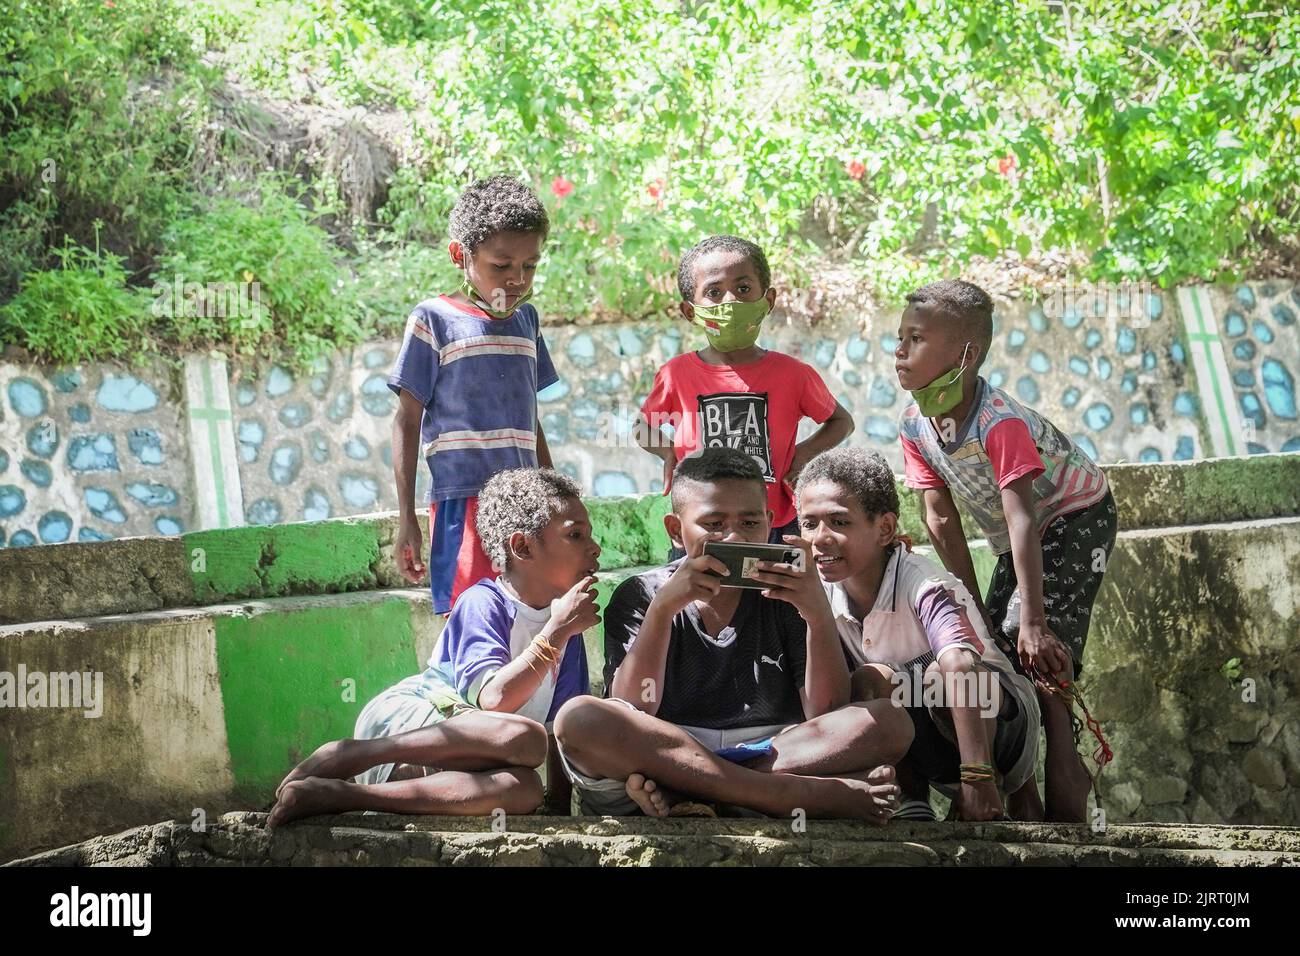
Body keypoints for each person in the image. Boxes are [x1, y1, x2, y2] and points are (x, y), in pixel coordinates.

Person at [552, 448, 909, 821]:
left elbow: (825, 712)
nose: (734, 537)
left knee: (888, 721)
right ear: (676, 530)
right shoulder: (641, 594)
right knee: (580, 720)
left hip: (771, 751)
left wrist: (817, 613)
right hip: (667, 746)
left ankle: (701, 790)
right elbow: (635, 706)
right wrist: (663, 610)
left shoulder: (788, 591)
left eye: (750, 523)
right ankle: (787, 795)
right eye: (714, 524)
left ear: (770, 523)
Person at [894, 278, 1117, 821]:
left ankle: (1065, 766)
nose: (898, 351)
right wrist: (969, 606)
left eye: (916, 339)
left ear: (965, 354)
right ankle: (1021, 788)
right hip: (1019, 537)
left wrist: (1036, 619)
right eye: (899, 337)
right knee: (991, 643)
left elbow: (1024, 515)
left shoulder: (1000, 421)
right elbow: (940, 518)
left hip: (1074, 514)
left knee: (1033, 639)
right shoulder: (915, 426)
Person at [268, 468, 601, 826]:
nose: (594, 547)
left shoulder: (567, 627)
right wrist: (554, 633)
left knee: (524, 789)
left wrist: (558, 811)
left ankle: (343, 796)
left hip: (469, 762)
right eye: (575, 535)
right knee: (524, 738)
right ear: (521, 547)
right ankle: (352, 754)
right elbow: (494, 700)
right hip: (408, 729)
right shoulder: (485, 602)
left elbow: (558, 732)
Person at [795, 447, 1041, 821]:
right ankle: (910, 798)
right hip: (926, 747)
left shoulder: (924, 583)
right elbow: (827, 706)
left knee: (942, 674)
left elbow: (960, 667)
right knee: (868, 680)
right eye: (809, 524)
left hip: (997, 733)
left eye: (839, 523)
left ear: (885, 529)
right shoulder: (819, 595)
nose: (820, 538)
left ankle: (976, 789)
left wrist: (977, 778)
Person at [389, 174, 559, 614]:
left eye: (530, 266)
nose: (517, 279)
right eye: (501, 266)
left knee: (536, 618)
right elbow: (407, 421)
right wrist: (407, 518)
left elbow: (530, 417)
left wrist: (555, 497)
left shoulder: (527, 322)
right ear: (459, 255)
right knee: (473, 621)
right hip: (462, 502)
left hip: (527, 502)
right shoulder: (433, 320)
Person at [637, 235, 853, 553]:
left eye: (743, 288)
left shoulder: (793, 373)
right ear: (690, 311)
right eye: (713, 292)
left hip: (775, 525)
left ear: (768, 300)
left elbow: (840, 421)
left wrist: (802, 455)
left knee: (780, 599)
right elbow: (642, 427)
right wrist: (669, 453)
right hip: (701, 529)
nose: (731, 302)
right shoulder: (676, 374)